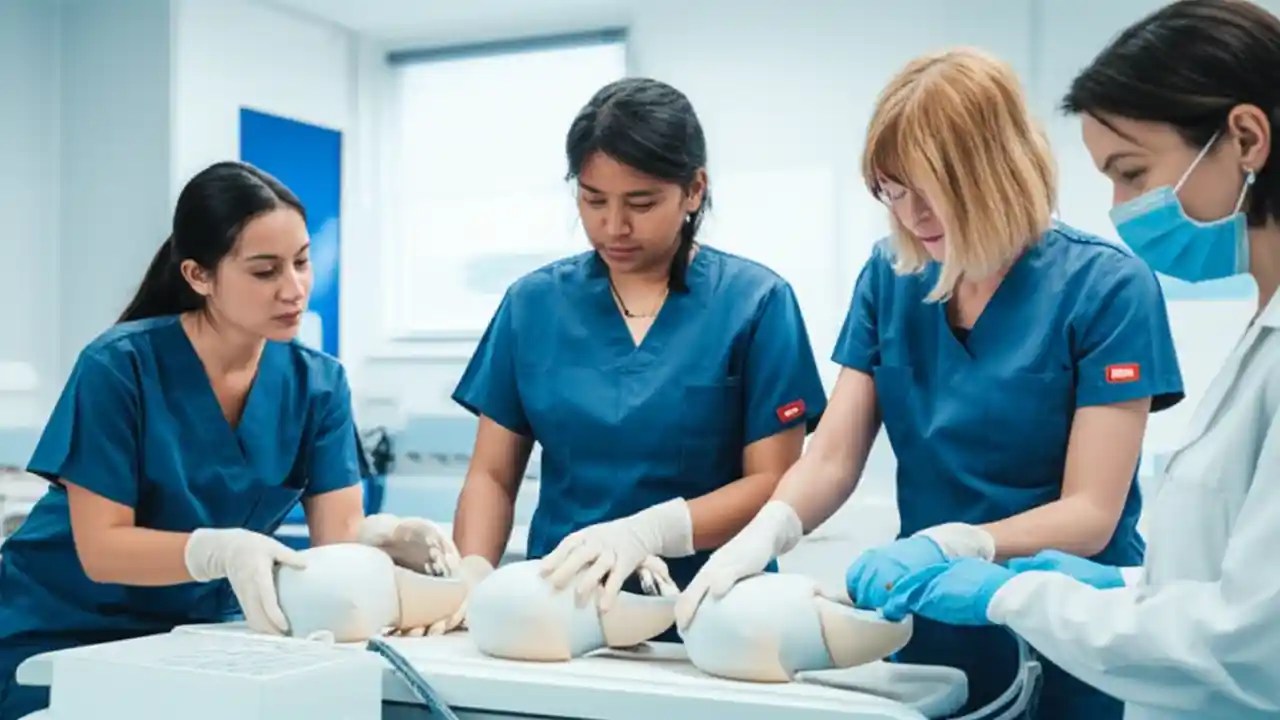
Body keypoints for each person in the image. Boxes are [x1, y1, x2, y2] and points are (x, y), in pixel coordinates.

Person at [674, 47, 1186, 718]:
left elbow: (1091, 512)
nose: (911, 213)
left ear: (992, 169)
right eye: (892, 190)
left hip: (1070, 624)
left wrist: (959, 542)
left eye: (927, 187)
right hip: (930, 622)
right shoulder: (892, 277)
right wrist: (767, 532)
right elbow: (830, 457)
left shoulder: (1108, 288)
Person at [875, 2, 1280, 718]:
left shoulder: (1103, 286)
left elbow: (1251, 644)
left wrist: (1009, 588)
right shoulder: (1262, 336)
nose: (1120, 207)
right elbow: (1224, 583)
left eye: (1131, 172)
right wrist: (1121, 588)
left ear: (1246, 138)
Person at [0, 161, 449, 720]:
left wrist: (386, 539)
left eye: (303, 262)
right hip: (58, 631)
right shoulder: (120, 367)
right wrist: (217, 548)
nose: (295, 289)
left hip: (194, 639)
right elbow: (102, 548)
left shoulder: (319, 383)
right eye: (265, 271)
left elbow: (337, 542)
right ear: (198, 275)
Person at [434, 77, 828, 636]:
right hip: (561, 607)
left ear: (694, 191)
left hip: (713, 614)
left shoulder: (756, 303)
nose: (613, 226)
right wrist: (473, 571)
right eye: (593, 200)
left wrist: (649, 531)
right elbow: (493, 475)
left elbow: (775, 483)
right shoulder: (534, 304)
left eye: (641, 204)